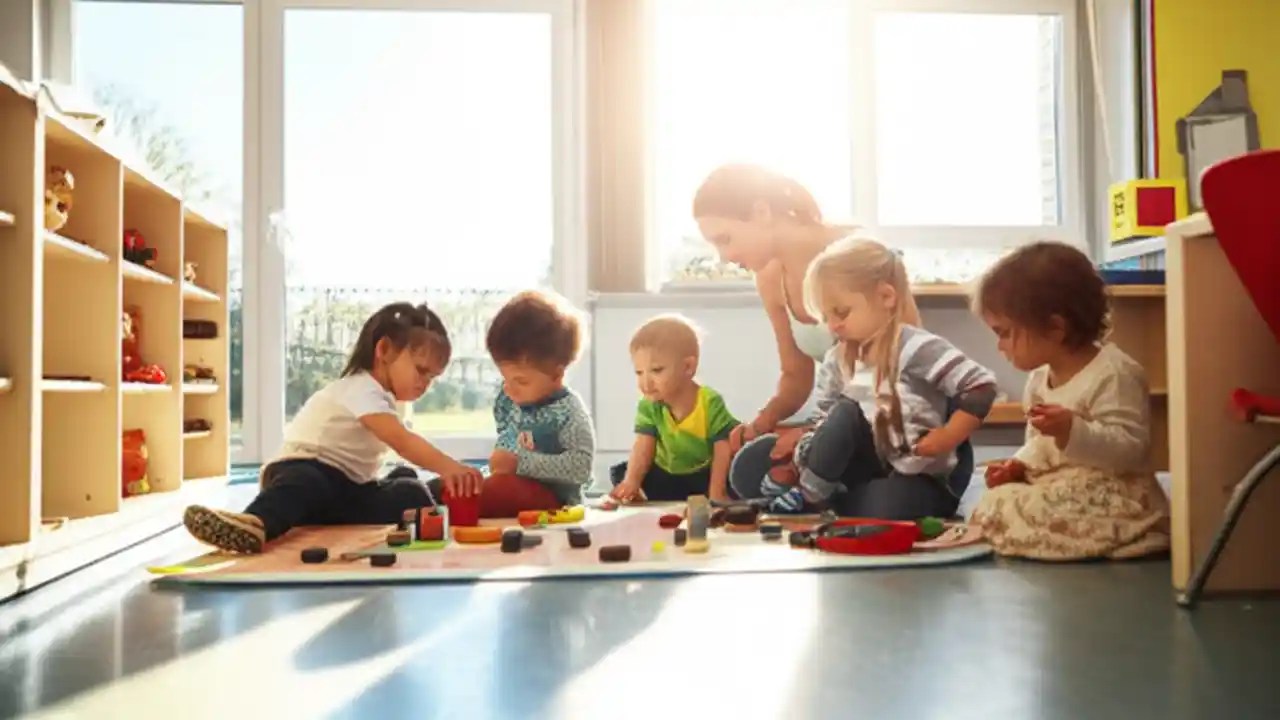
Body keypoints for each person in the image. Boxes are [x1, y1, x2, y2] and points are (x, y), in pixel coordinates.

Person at [183, 302, 483, 554]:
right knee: (309, 481)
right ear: (385, 349)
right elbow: (402, 441)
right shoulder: (360, 388)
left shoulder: (383, 399)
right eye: (420, 370)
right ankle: (256, 523)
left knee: (407, 484)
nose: (425, 384)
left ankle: (427, 512)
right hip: (304, 472)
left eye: (432, 378)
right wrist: (448, 467)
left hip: (346, 489)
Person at [733, 237, 997, 519]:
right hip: (861, 463)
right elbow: (827, 423)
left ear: (886, 297)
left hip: (921, 473)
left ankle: (821, 500)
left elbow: (980, 387)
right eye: (825, 316)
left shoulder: (916, 347)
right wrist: (804, 443)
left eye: (841, 312)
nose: (833, 325)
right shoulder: (836, 359)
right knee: (832, 419)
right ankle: (815, 493)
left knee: (886, 505)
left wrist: (947, 436)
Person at [692, 163, 923, 460]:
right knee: (750, 464)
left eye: (725, 239)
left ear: (762, 212)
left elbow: (907, 366)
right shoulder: (770, 279)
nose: (723, 257)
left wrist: (814, 432)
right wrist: (763, 422)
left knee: (842, 484)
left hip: (894, 421)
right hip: (836, 424)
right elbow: (795, 376)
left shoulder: (859, 253)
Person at [969, 241, 1170, 560]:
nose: (1000, 347)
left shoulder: (1114, 373)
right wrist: (1019, 464)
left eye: (1005, 333)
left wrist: (1072, 431)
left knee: (1017, 509)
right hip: (1060, 484)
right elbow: (1038, 442)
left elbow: (1130, 450)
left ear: (1054, 328)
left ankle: (1127, 532)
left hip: (1114, 490)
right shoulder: (1039, 380)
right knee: (997, 499)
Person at [479, 289, 596, 516]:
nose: (509, 389)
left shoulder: (568, 411)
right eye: (505, 378)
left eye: (521, 380)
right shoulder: (509, 401)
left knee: (491, 493)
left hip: (557, 501)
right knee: (470, 486)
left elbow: (580, 468)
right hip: (515, 487)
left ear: (556, 374)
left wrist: (519, 464)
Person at [609, 314, 738, 502]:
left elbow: (722, 448)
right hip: (667, 473)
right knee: (624, 473)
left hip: (703, 472)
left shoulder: (708, 401)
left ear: (688, 367)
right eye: (639, 372)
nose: (645, 382)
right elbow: (643, 446)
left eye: (656, 370)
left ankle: (713, 493)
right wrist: (631, 481)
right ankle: (640, 495)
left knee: (732, 475)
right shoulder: (649, 404)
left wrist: (717, 491)